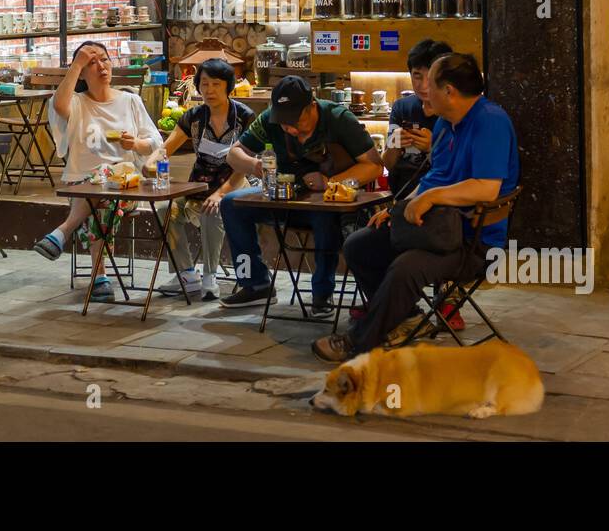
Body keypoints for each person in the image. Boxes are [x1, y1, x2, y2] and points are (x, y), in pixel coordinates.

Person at [312, 53, 518, 362]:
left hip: (472, 240)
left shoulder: (491, 121)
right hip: (433, 228)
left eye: (429, 84)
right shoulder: (447, 125)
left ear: (448, 90)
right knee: (359, 244)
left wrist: (431, 199)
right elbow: (434, 178)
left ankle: (359, 341)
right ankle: (406, 316)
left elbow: (486, 187)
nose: (422, 90)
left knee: (406, 267)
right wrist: (401, 207)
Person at [219, 76, 383, 316]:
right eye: (285, 124)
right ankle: (254, 283)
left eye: (297, 121)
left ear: (313, 106)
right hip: (284, 196)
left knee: (323, 216)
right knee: (231, 205)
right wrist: (256, 165)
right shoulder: (268, 120)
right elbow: (233, 155)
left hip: (327, 200)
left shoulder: (338, 119)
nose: (292, 129)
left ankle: (322, 293)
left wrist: (330, 182)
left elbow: (374, 166)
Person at [34, 41, 163, 303]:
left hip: (127, 188)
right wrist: (77, 63)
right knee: (102, 197)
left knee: (107, 178)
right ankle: (98, 277)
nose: (101, 66)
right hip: (82, 187)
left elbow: (155, 142)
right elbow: (59, 106)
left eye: (104, 59)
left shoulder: (130, 101)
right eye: (91, 63)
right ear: (81, 72)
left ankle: (65, 235)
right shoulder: (77, 103)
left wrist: (134, 144)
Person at [155, 57, 255, 302]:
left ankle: (210, 276)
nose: (209, 90)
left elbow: (245, 165)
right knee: (164, 208)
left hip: (235, 186)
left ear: (229, 87)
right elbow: (166, 148)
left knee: (212, 209)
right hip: (198, 186)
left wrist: (221, 193)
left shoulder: (244, 117)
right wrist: (152, 161)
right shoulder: (195, 116)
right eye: (204, 84)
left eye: (216, 85)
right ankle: (187, 274)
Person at [381, 38, 453, 196]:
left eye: (430, 78)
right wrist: (394, 145)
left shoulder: (453, 112)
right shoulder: (401, 107)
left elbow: (457, 170)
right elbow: (387, 164)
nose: (423, 85)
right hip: (399, 194)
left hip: (438, 195)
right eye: (417, 76)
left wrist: (431, 148)